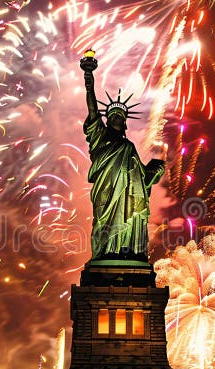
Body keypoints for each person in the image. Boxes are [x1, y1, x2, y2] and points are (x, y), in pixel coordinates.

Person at [80, 53, 165, 261]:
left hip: (129, 195)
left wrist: (154, 171)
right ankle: (105, 254)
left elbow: (142, 178)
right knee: (104, 222)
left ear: (125, 122)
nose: (116, 117)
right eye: (112, 115)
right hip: (107, 189)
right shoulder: (99, 136)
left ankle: (127, 253)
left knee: (131, 218)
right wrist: (88, 79)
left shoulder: (129, 147)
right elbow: (92, 109)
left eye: (120, 116)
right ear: (107, 120)